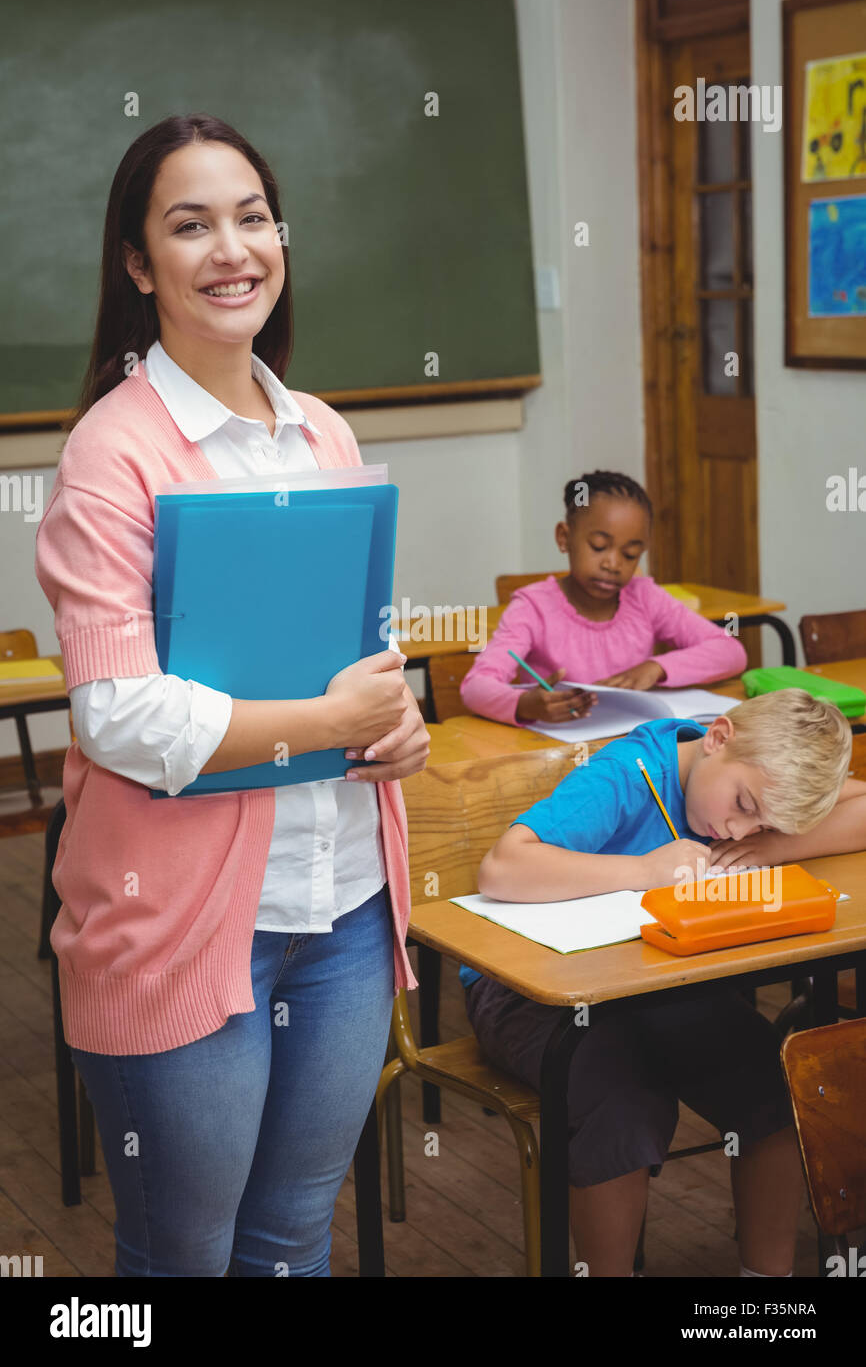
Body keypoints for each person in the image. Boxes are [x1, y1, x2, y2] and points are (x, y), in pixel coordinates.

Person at [34, 113, 430, 1277]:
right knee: (184, 1254)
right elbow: (117, 712)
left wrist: (390, 726)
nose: (231, 248)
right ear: (136, 261)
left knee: (291, 1238)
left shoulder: (320, 431)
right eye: (190, 224)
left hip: (345, 906)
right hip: (187, 920)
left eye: (251, 217)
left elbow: (361, 654)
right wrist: (325, 725)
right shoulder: (113, 453)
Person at [459, 688, 866, 1277]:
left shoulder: (743, 795)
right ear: (719, 737)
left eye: (760, 821)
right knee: (622, 1105)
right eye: (743, 804)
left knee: (775, 1094)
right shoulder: (626, 775)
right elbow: (503, 869)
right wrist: (644, 872)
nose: (735, 826)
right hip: (529, 991)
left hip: (655, 986)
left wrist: (773, 843)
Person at [460, 470, 748, 726]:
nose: (613, 564)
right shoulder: (533, 607)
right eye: (599, 546)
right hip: (554, 749)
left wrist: (656, 668)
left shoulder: (644, 596)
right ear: (564, 538)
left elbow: (731, 652)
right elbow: (476, 686)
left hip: (630, 745)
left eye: (630, 554)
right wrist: (524, 705)